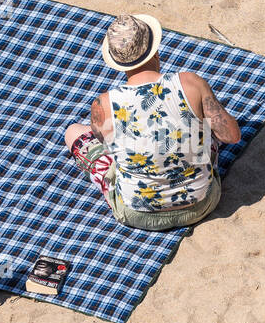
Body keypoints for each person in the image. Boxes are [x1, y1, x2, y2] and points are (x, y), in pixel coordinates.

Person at [64, 14, 241, 231]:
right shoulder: (189, 83)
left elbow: (109, 146)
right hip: (201, 203)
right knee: (202, 127)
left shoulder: (103, 104)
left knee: (73, 132)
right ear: (154, 50)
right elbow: (232, 136)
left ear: (117, 62)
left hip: (137, 214)